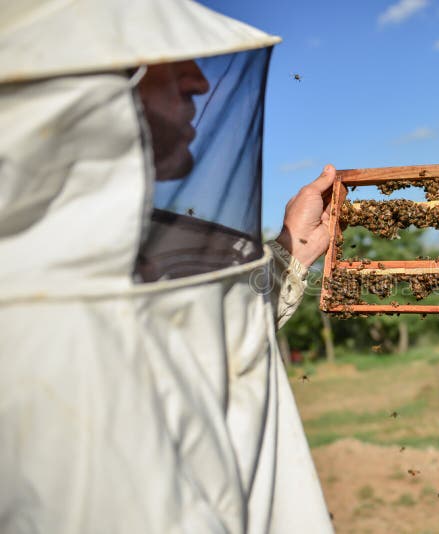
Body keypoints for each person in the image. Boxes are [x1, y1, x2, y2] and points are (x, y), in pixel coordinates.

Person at [0, 1, 335, 532]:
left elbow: (196, 338)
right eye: (151, 60)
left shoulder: (89, 265)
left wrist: (290, 253)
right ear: (69, 89)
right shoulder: (49, 336)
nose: (199, 82)